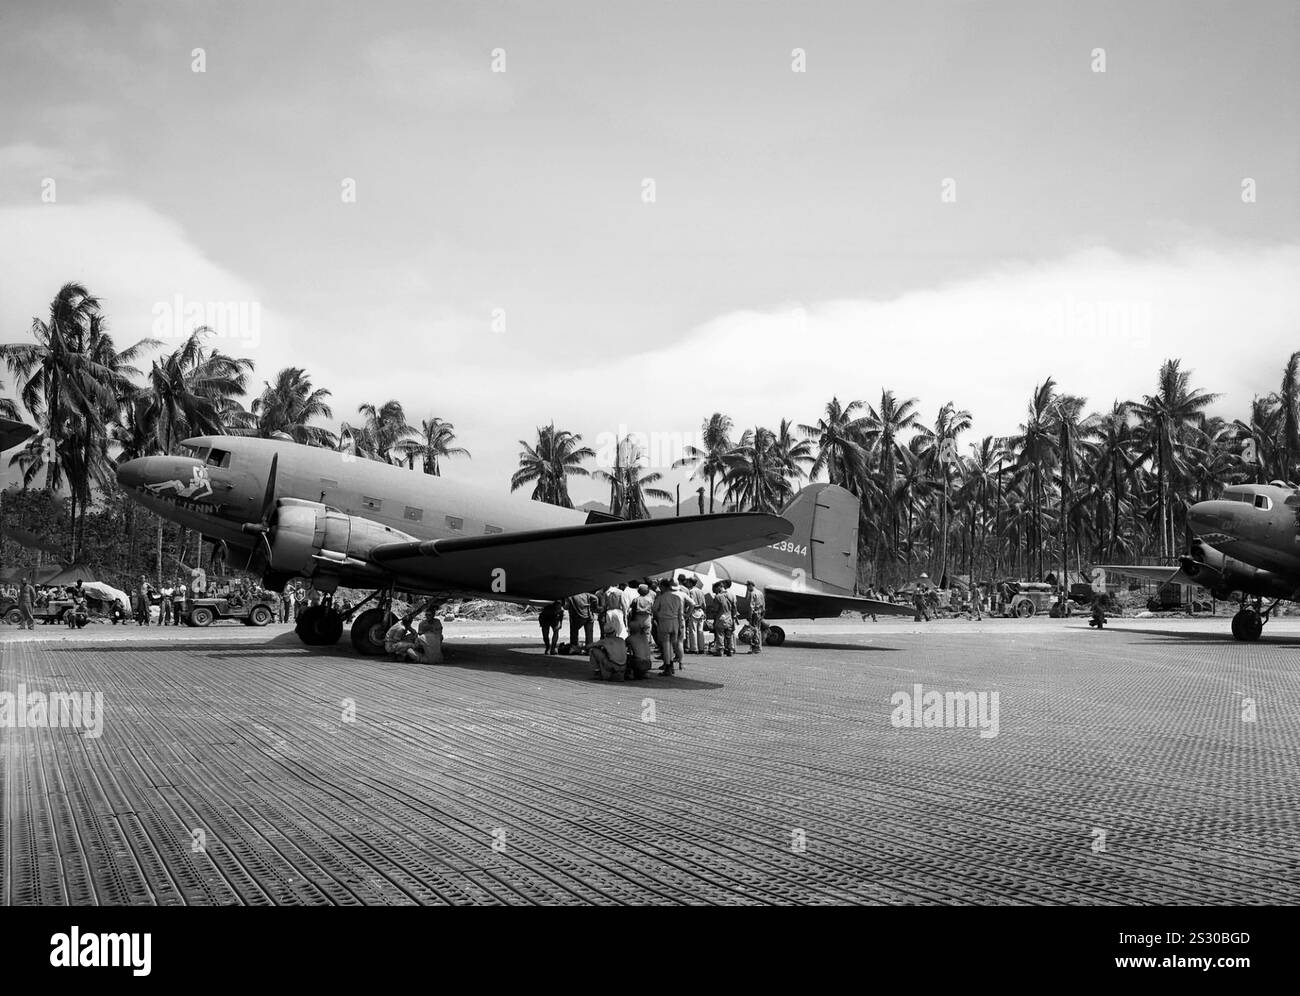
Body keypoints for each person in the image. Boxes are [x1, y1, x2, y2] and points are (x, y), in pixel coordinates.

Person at [652, 579, 685, 675]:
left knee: (666, 645)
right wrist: (680, 626)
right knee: (672, 644)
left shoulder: (661, 597)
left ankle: (668, 666)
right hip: (675, 623)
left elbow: (654, 609)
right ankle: (672, 665)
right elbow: (680, 613)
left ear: (664, 587)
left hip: (664, 622)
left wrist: (659, 616)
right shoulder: (677, 598)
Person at [624, 607, 654, 679]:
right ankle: (644, 673)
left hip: (638, 663)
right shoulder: (644, 637)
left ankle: (629, 673)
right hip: (648, 663)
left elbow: (623, 648)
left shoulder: (630, 638)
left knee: (626, 656)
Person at [710, 581, 737, 657]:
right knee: (729, 635)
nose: (715, 591)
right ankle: (730, 650)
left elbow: (715, 609)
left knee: (720, 635)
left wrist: (713, 614)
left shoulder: (718, 597)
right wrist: (734, 617)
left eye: (715, 588)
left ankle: (720, 650)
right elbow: (734, 608)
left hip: (721, 618)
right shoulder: (732, 595)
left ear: (719, 587)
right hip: (729, 618)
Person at [742, 580, 766, 654]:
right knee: (758, 630)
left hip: (754, 614)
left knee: (753, 631)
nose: (747, 587)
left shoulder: (752, 593)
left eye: (748, 586)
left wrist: (749, 616)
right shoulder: (760, 593)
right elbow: (763, 604)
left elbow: (751, 606)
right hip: (759, 613)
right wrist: (762, 614)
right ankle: (758, 647)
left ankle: (755, 648)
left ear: (751, 585)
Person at [684, 576, 707, 654]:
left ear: (690, 583)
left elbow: (691, 603)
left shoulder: (691, 591)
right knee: (700, 631)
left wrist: (687, 613)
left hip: (694, 611)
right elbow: (704, 604)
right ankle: (701, 648)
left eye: (688, 582)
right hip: (701, 611)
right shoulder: (700, 591)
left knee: (693, 630)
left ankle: (694, 648)